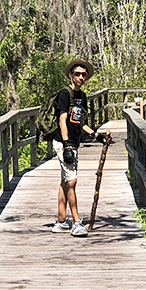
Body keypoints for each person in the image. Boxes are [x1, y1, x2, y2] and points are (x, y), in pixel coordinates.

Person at [51, 57, 102, 238]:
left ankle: (61, 221)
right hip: (64, 142)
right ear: (71, 76)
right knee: (72, 181)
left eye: (83, 74)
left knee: (66, 180)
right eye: (77, 74)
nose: (81, 77)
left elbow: (79, 121)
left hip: (74, 141)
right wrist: (66, 146)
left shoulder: (82, 96)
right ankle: (76, 222)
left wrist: (95, 134)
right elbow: (62, 120)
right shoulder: (65, 94)